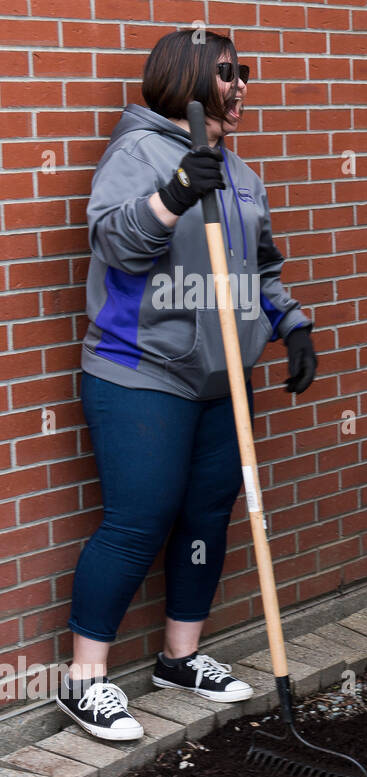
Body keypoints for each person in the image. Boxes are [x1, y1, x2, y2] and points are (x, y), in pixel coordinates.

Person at [58, 28, 317, 740]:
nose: (243, 87)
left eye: (245, 73)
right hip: (141, 371)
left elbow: (261, 267)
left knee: (208, 516)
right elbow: (115, 242)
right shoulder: (136, 153)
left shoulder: (239, 173)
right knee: (138, 521)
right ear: (195, 79)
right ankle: (83, 680)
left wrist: (292, 324)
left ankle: (181, 657)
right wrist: (172, 195)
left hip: (221, 377)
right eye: (233, 74)